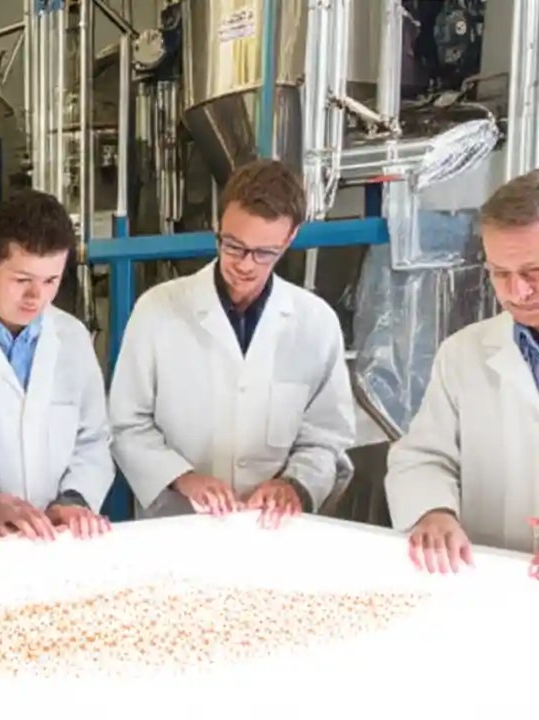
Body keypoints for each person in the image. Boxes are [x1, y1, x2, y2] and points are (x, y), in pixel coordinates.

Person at [107, 159, 355, 525]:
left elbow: (326, 435)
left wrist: (294, 484)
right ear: (217, 225)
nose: (245, 265)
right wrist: (183, 478)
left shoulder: (315, 323)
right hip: (178, 526)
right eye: (234, 246)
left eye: (264, 253)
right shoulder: (158, 311)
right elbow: (126, 424)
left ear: (290, 239)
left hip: (272, 529)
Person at [386, 170, 539, 575]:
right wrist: (433, 511)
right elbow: (422, 456)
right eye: (500, 274)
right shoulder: (463, 354)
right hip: (484, 581)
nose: (517, 292)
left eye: (533, 273)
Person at [0, 189, 114, 539]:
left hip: (54, 537)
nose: (37, 297)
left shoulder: (72, 336)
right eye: (23, 280)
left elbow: (93, 439)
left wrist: (74, 498)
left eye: (51, 281)